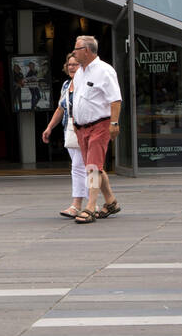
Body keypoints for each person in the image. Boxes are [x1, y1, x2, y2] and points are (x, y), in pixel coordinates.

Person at [69, 35, 122, 224]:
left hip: (99, 124)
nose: (74, 52)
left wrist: (114, 123)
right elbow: (78, 97)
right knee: (95, 167)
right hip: (82, 127)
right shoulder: (81, 72)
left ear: (87, 51)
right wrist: (75, 122)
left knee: (92, 168)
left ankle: (90, 207)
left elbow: (115, 99)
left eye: (76, 48)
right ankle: (111, 202)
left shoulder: (104, 70)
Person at [42, 54, 86, 219]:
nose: (72, 67)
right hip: (69, 130)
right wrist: (49, 127)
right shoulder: (66, 85)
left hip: (85, 128)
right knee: (83, 168)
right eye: (69, 64)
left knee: (80, 168)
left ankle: (78, 205)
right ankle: (97, 202)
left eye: (75, 64)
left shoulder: (86, 84)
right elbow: (61, 109)